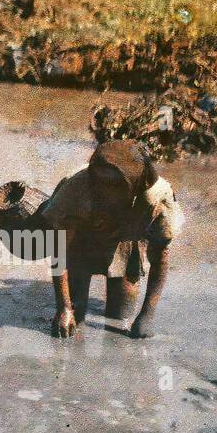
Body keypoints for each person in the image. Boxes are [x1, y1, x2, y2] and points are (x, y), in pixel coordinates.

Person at [38, 139, 184, 339]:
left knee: (119, 319)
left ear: (133, 186)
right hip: (81, 241)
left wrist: (147, 315)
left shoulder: (155, 198)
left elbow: (160, 256)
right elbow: (59, 251)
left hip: (126, 240)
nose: (104, 190)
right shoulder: (76, 188)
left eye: (114, 186)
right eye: (99, 182)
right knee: (75, 318)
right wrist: (63, 308)